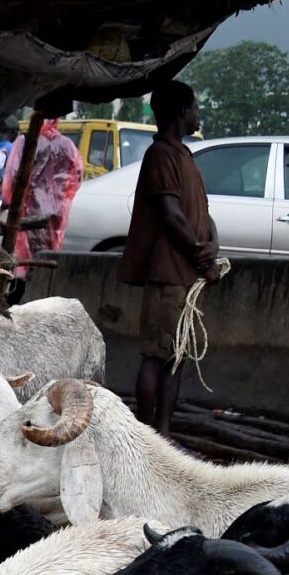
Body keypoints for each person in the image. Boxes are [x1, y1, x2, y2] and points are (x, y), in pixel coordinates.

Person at [119, 81, 217, 437]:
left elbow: (202, 215)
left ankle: (163, 437)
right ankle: (147, 437)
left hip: (184, 274)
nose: (197, 114)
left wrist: (213, 247)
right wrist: (202, 257)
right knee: (157, 356)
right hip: (168, 274)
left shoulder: (183, 156)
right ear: (181, 112)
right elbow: (172, 215)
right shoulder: (161, 155)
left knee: (175, 359)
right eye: (194, 107)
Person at [2, 117, 84, 263]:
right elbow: (77, 175)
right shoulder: (67, 145)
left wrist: (11, 201)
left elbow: (13, 176)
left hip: (31, 208)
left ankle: (28, 282)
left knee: (28, 256)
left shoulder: (25, 142)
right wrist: (61, 195)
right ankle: (46, 280)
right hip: (57, 211)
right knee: (51, 250)